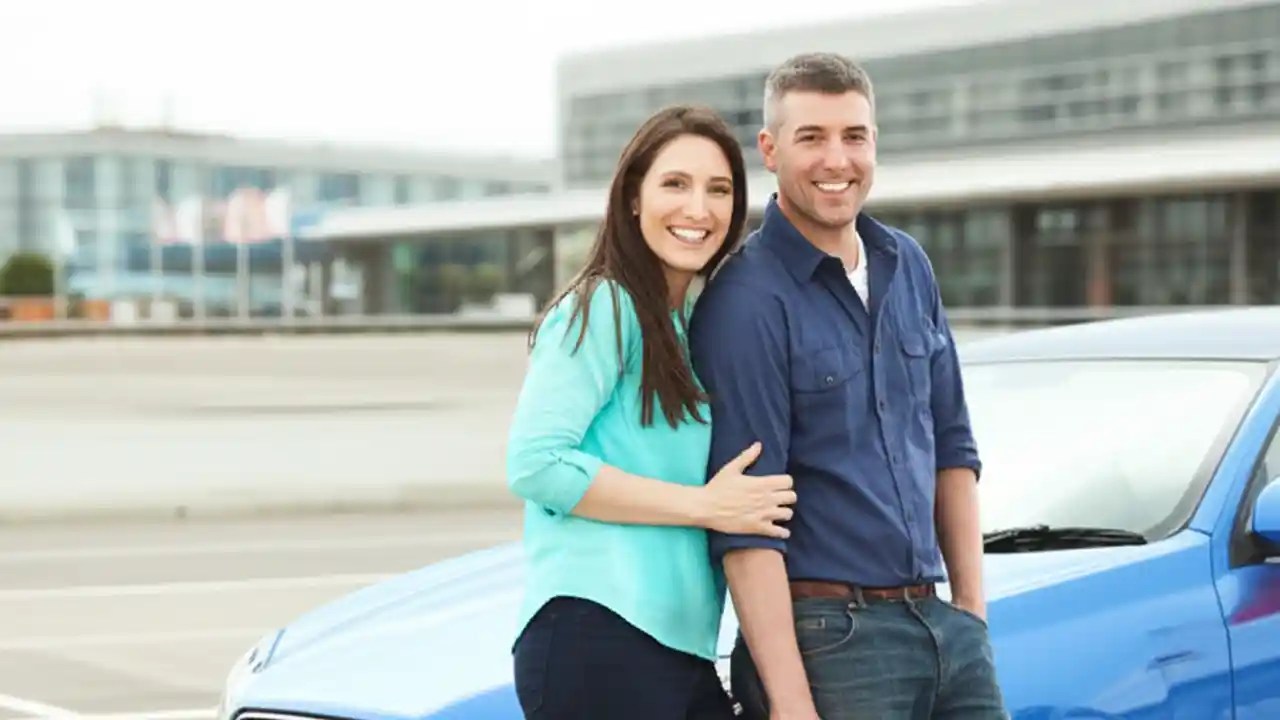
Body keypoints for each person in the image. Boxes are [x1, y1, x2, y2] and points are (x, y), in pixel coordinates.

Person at [688, 53, 1007, 719]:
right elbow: (749, 522)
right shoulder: (746, 300)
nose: (837, 160)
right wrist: (791, 702)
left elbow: (954, 447)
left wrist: (970, 614)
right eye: (812, 138)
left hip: (943, 626)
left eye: (854, 136)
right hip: (831, 641)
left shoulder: (907, 264)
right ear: (770, 151)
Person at [505, 104, 798, 720]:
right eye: (675, 184)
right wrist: (703, 506)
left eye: (718, 190)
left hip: (678, 650)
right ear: (632, 198)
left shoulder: (692, 325)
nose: (699, 209)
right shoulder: (605, 306)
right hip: (598, 633)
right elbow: (536, 464)